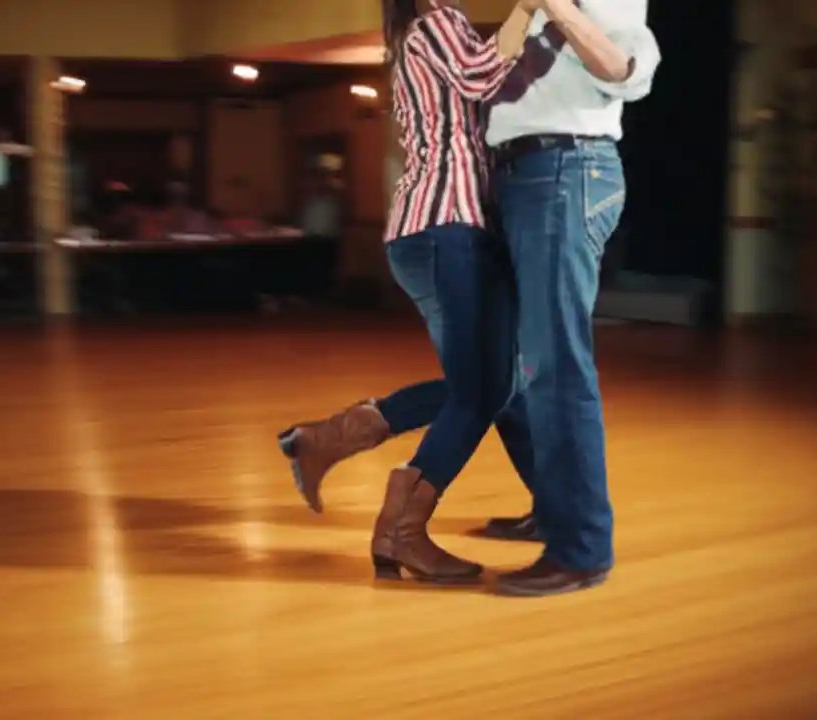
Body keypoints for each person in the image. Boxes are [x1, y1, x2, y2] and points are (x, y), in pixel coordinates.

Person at [283, 0, 538, 584]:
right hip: (451, 231)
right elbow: (481, 76)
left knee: (495, 384)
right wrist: (529, 8)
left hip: (423, 235)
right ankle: (400, 533)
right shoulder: (439, 22)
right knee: (483, 391)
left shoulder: (410, 36)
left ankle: (326, 440)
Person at [485, 0, 660, 595]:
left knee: (555, 365)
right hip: (514, 176)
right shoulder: (525, 15)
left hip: (567, 169)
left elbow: (626, 71)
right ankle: (554, 505)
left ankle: (582, 549)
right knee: (506, 366)